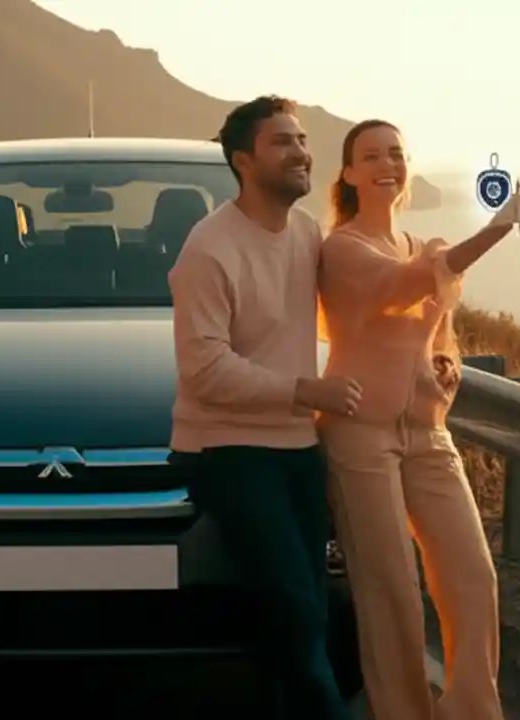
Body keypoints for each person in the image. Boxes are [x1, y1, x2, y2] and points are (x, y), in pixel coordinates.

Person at [315, 119, 520, 720]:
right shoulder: (342, 249)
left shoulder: (424, 246)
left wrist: (444, 365)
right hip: (361, 433)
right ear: (350, 174)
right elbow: (400, 289)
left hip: (427, 434)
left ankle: (471, 711)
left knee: (472, 579)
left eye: (396, 154)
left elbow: (436, 328)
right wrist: (496, 227)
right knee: (392, 597)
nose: (387, 164)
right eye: (371, 156)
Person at [167, 95, 362, 720]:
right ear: (244, 161)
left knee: (304, 609)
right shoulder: (208, 250)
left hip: (296, 447)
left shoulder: (306, 233)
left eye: (302, 140)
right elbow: (205, 372)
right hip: (226, 450)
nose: (302, 152)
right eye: (284, 142)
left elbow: (360, 304)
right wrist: (309, 391)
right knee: (298, 606)